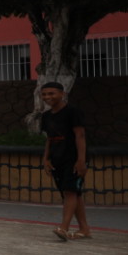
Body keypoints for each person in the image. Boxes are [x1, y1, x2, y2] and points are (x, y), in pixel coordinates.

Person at [39, 81, 90, 241]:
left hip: (73, 159)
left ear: (63, 94)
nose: (48, 97)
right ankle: (84, 229)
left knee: (70, 192)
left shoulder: (73, 112)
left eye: (52, 93)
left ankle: (64, 228)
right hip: (56, 158)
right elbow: (49, 138)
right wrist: (45, 159)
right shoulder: (46, 116)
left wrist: (81, 160)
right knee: (73, 193)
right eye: (45, 94)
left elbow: (80, 135)